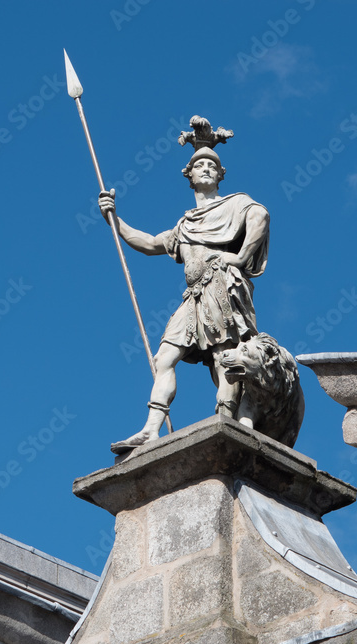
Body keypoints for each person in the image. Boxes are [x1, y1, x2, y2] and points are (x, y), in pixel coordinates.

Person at [99, 145, 270, 450]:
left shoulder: (236, 203)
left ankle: (229, 418)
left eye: (211, 165)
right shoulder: (184, 224)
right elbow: (150, 243)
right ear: (189, 176)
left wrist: (241, 257)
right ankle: (151, 429)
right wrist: (114, 219)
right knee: (164, 357)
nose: (205, 167)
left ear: (220, 175)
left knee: (224, 358)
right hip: (193, 297)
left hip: (221, 287)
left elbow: (260, 215)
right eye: (199, 164)